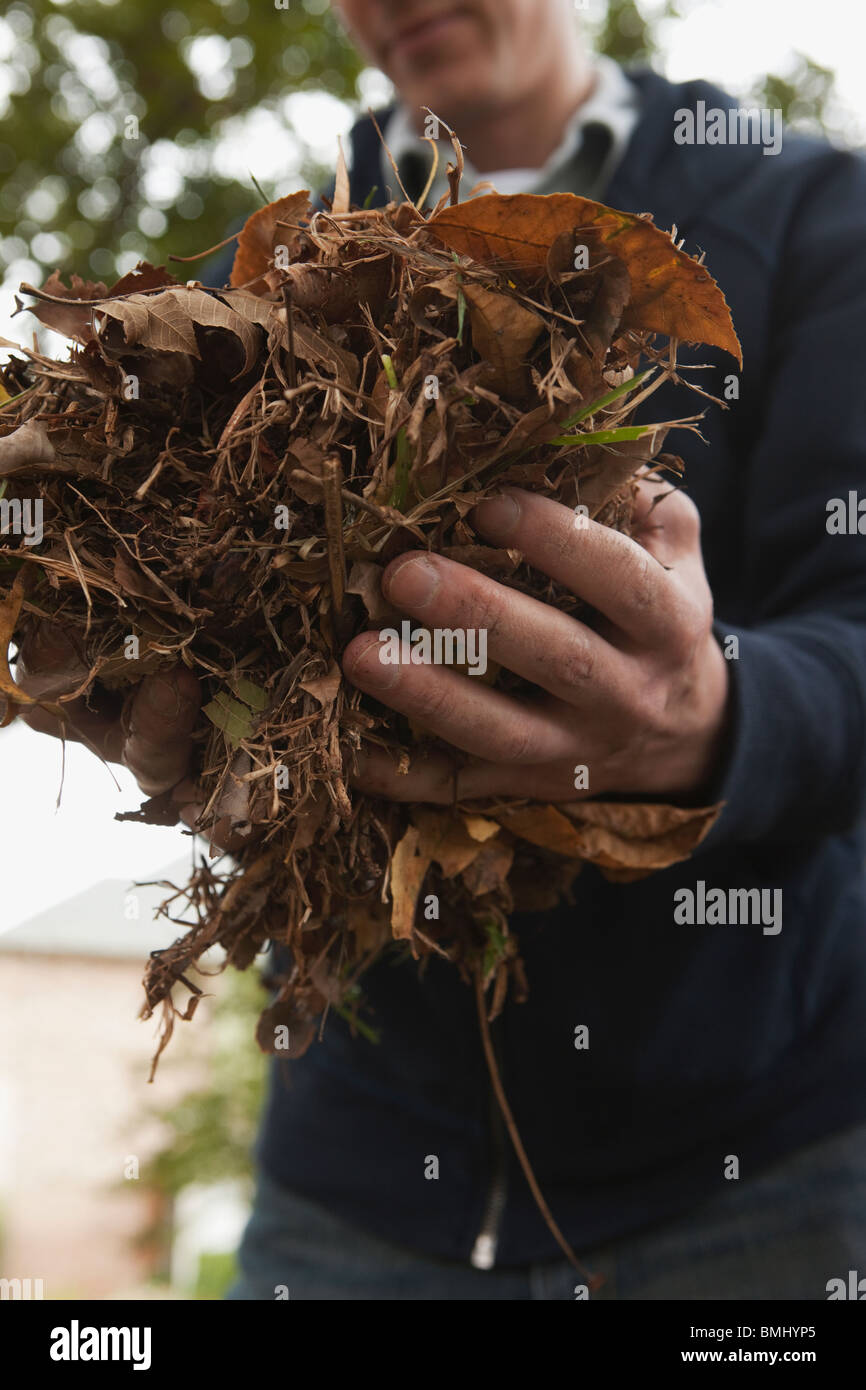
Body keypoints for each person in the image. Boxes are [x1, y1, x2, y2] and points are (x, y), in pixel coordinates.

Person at [11, 0, 866, 1299]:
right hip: (355, 1182)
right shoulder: (260, 265)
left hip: (750, 1167)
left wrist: (712, 716)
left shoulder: (806, 214)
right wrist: (182, 721)